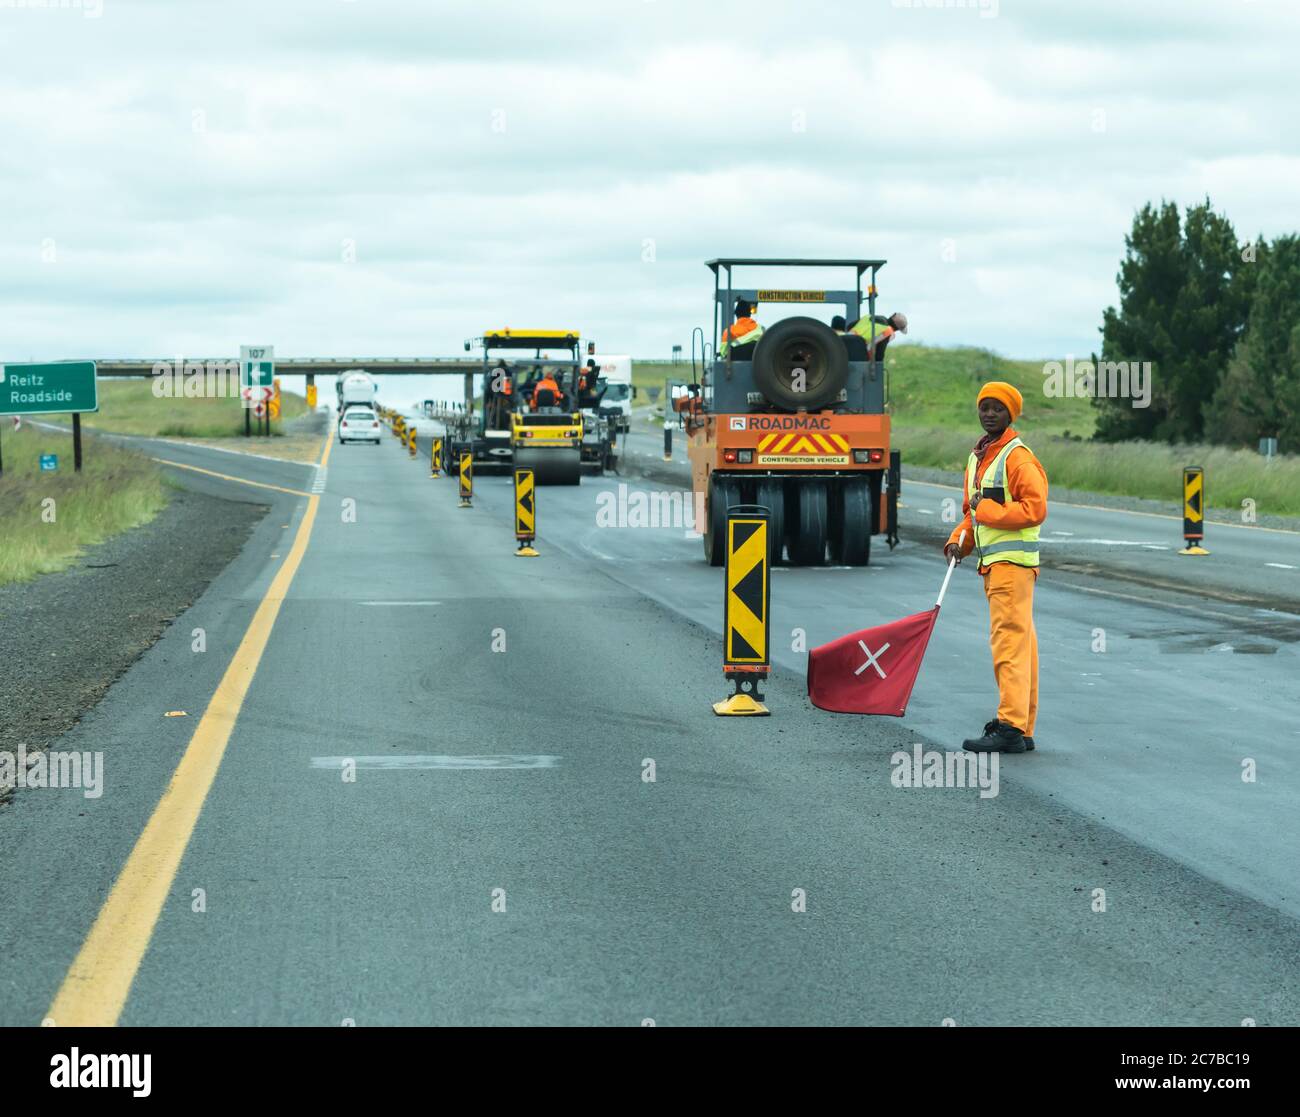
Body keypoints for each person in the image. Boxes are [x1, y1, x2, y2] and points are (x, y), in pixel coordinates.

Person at [944, 381, 1048, 754]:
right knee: (1022, 645)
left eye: (997, 408)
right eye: (984, 406)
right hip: (995, 566)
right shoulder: (979, 456)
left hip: (1012, 566)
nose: (989, 413)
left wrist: (985, 511)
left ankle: (1009, 727)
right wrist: (960, 540)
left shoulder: (1016, 457)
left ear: (1011, 415)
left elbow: (1034, 508)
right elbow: (972, 513)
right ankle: (1023, 726)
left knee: (1008, 645)